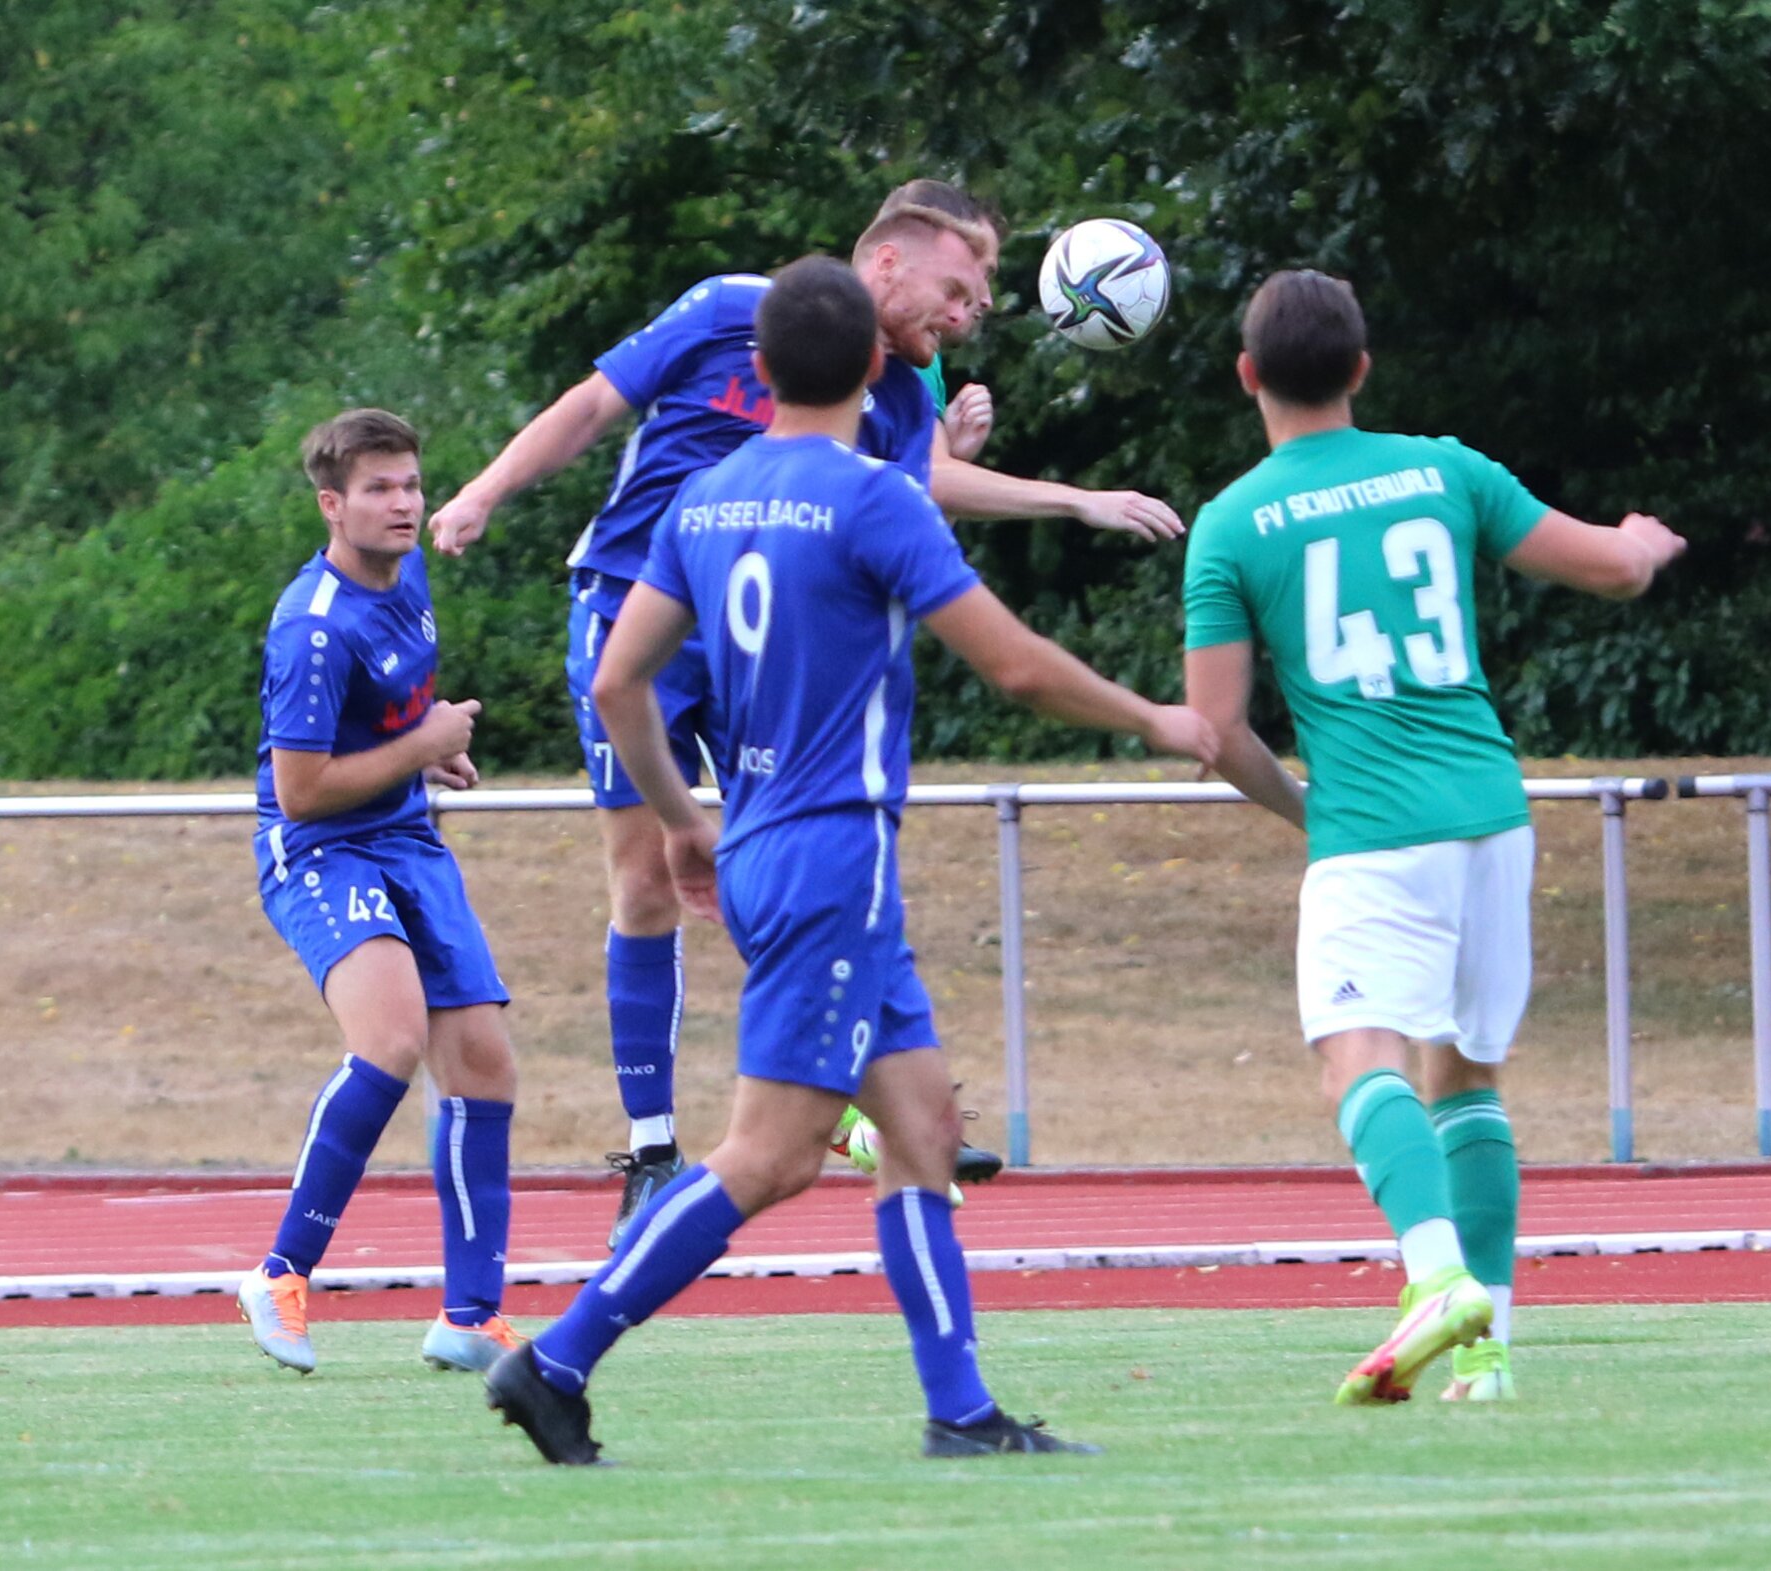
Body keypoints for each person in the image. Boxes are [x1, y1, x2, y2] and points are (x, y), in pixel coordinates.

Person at [481, 256, 1217, 1464]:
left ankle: (963, 1412)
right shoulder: (877, 497)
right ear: (878, 364)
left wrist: (677, 816)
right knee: (768, 1157)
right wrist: (1159, 720)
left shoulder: (704, 496)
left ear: (757, 369)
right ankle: (555, 1359)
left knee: (921, 1126)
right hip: (833, 856)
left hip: (764, 838)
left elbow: (618, 681)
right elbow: (1017, 665)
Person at [430, 180, 1180, 1246]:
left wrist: (1058, 493)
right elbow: (594, 403)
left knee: (790, 859)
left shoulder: (902, 382)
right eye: (958, 290)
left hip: (761, 631)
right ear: (888, 264)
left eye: (979, 302)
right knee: (647, 874)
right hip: (629, 605)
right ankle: (652, 1149)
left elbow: (906, 485)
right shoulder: (734, 307)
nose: (967, 318)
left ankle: (860, 1099)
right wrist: (483, 491)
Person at [1180, 270, 1686, 1404]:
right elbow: (1606, 567)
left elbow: (1213, 732)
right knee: (1465, 1080)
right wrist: (1644, 542)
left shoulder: (1229, 523)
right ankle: (1489, 1355)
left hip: (1371, 833)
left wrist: (1307, 810)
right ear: (1360, 369)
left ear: (1247, 377)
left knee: (1356, 1060)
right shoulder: (1442, 468)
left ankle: (1432, 1274)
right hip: (1491, 815)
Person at [237, 409, 525, 1377]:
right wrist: (420, 745)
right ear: (332, 504)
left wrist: (427, 756)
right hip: (319, 847)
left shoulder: (409, 570)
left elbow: (394, 721)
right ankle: (279, 1270)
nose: (403, 502)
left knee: (481, 1061)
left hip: (403, 834)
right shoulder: (311, 628)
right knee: (393, 1039)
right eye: (378, 488)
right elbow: (301, 789)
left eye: (409, 483)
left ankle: (471, 1315)